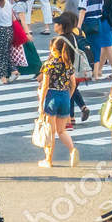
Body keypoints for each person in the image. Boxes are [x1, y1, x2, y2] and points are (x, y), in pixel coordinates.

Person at [35, 37, 79, 169]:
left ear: (53, 49)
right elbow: (73, 83)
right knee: (62, 131)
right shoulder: (68, 64)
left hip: (52, 96)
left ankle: (48, 160)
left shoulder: (49, 64)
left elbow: (45, 86)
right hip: (65, 95)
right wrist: (68, 96)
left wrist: (41, 104)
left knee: (50, 131)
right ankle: (72, 150)